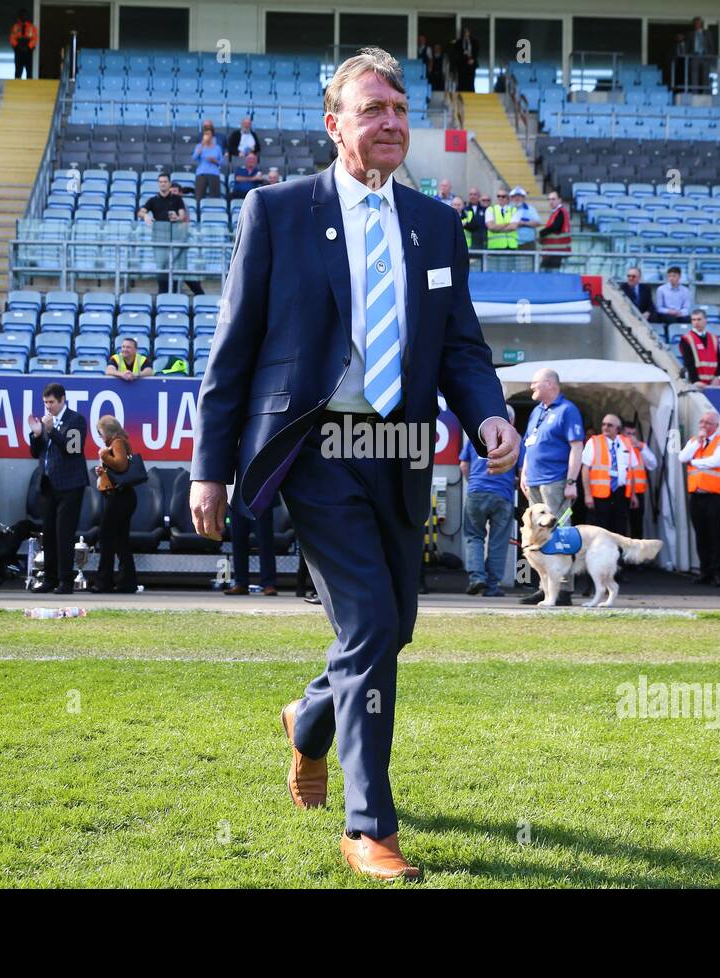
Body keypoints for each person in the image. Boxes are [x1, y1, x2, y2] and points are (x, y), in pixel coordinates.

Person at [188, 47, 516, 882]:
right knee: (370, 623)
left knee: (391, 626)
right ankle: (369, 825)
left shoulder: (438, 227)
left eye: (401, 110)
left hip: (399, 451)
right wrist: (208, 468)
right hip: (317, 451)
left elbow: (462, 349)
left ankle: (309, 717)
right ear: (334, 124)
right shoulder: (275, 212)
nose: (392, 123)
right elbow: (231, 355)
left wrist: (488, 417)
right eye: (372, 110)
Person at [517, 367, 584, 606]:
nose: (532, 387)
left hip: (555, 480)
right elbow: (529, 446)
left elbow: (576, 447)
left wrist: (571, 481)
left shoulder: (567, 410)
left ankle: (563, 588)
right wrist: (524, 474)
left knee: (559, 534)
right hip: (534, 481)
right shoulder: (537, 411)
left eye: (536, 383)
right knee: (537, 535)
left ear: (551, 385)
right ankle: (545, 588)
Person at [28, 382, 89, 595]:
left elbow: (72, 449)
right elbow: (36, 453)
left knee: (64, 533)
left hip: (70, 485)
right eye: (45, 402)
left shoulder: (76, 420)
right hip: (48, 485)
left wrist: (51, 430)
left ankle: (65, 580)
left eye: (52, 402)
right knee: (50, 534)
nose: (48, 407)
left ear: (62, 400)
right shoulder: (46, 422)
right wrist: (36, 434)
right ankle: (50, 578)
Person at [460, 404, 523, 597]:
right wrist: (511, 483)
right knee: (498, 542)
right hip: (502, 496)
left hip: (476, 492)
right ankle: (492, 586)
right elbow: (522, 474)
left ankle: (476, 579)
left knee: (474, 536)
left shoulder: (476, 436)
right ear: (511, 421)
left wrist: (475, 484)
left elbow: (463, 465)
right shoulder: (515, 440)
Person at [677, 409, 720, 587]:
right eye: (701, 422)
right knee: (701, 535)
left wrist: (694, 462)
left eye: (707, 423)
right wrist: (696, 445)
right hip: (697, 495)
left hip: (714, 496)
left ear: (716, 425)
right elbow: (682, 457)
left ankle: (717, 573)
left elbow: (716, 461)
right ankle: (704, 571)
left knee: (716, 535)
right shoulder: (694, 442)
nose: (703, 425)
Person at [88, 415, 139, 594]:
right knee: (120, 540)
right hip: (123, 497)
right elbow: (119, 467)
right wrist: (103, 470)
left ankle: (104, 582)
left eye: (100, 432)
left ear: (107, 431)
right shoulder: (121, 441)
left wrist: (104, 457)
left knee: (107, 538)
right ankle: (127, 581)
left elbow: (121, 465)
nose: (100, 436)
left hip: (119, 497)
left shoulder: (117, 442)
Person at [582, 413, 633, 537]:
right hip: (600, 494)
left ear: (618, 429)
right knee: (600, 529)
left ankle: (618, 556)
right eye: (603, 424)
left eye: (609, 425)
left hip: (620, 492)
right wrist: (587, 494)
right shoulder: (593, 442)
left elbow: (631, 469)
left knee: (620, 528)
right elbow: (585, 470)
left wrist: (633, 494)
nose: (605, 427)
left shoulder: (626, 442)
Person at [225, 490, 278, 596]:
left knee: (265, 542)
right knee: (238, 542)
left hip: (261, 497)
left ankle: (268, 584)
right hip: (237, 498)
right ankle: (241, 584)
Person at [621, 422, 657, 540]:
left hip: (638, 492)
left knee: (636, 525)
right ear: (621, 433)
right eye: (628, 434)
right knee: (620, 526)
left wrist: (640, 448)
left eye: (633, 434)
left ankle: (637, 556)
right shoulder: (618, 445)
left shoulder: (640, 447)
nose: (631, 437)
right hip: (621, 491)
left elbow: (652, 464)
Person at [678, 309, 720, 387]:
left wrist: (718, 377)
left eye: (699, 319)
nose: (696, 322)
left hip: (713, 383)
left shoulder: (714, 338)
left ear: (705, 320)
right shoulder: (687, 339)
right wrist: (695, 381)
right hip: (696, 383)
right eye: (694, 320)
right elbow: (689, 362)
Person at [484, 186, 519, 268]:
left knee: (509, 274)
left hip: (510, 247)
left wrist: (497, 227)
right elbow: (491, 227)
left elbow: (513, 226)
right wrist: (507, 224)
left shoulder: (513, 210)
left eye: (503, 196)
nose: (501, 198)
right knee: (494, 273)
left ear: (508, 198)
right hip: (495, 246)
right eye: (498, 196)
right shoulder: (490, 209)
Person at [537, 190, 571, 270]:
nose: (551, 202)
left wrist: (541, 233)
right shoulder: (557, 212)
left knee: (549, 273)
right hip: (553, 250)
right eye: (549, 199)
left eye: (553, 199)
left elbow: (555, 227)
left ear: (560, 200)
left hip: (556, 250)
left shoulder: (560, 212)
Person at [190, 125, 224, 202]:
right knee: (199, 196)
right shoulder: (199, 146)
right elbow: (194, 158)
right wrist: (202, 146)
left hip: (214, 173)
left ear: (212, 136)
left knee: (215, 196)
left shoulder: (217, 147)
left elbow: (221, 162)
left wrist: (214, 161)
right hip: (201, 173)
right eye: (205, 134)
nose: (207, 136)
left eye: (209, 134)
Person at [510, 187, 541, 258]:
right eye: (515, 196)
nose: (517, 198)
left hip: (527, 244)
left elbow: (538, 222)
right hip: (510, 243)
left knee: (527, 267)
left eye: (520, 196)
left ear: (524, 198)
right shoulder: (507, 209)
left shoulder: (531, 209)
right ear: (511, 198)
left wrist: (523, 223)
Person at [10, 10, 38, 79]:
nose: (23, 17)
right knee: (18, 71)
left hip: (28, 51)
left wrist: (28, 47)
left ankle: (29, 86)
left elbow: (35, 38)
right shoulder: (16, 26)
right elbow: (12, 38)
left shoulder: (32, 27)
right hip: (18, 50)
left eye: (24, 15)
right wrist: (17, 46)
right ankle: (17, 85)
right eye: (21, 15)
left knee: (29, 70)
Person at [453, 27, 478, 94]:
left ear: (470, 33)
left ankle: (471, 94)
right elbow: (456, 53)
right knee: (462, 80)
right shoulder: (459, 42)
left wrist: (473, 59)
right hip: (462, 64)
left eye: (467, 32)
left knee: (471, 80)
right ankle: (461, 93)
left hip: (471, 64)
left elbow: (476, 52)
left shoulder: (474, 42)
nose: (466, 33)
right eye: (464, 32)